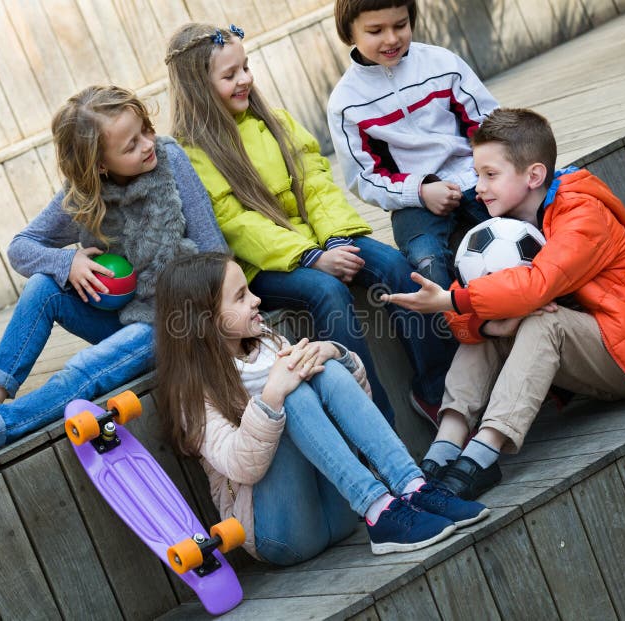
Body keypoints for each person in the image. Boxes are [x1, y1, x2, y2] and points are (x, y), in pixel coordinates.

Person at [383, 108, 625, 499]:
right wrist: (488, 324)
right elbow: (470, 311)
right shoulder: (505, 232)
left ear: (534, 176)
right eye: (476, 175)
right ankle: (444, 448)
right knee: (492, 321)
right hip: (596, 357)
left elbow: (535, 286)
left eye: (490, 175)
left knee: (543, 320)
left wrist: (450, 299)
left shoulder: (583, 214)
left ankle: (483, 454)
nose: (478, 188)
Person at [164, 22, 453, 427]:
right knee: (327, 291)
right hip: (265, 264)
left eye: (245, 67)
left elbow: (315, 182)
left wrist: (333, 240)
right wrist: (310, 257)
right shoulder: (193, 153)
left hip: (321, 239)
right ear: (198, 87)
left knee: (393, 266)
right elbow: (235, 223)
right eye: (230, 76)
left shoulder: (276, 121)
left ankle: (436, 392)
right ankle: (373, 421)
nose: (245, 79)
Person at [0, 85, 226, 466]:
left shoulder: (170, 160)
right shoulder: (84, 195)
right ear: (100, 165)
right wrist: (68, 263)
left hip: (178, 324)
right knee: (43, 286)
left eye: (145, 131)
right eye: (130, 145)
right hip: (123, 318)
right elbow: (21, 247)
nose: (147, 144)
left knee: (86, 366)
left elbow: (215, 253)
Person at [154, 252, 489, 562]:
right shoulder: (191, 391)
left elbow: (356, 411)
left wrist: (336, 354)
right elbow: (240, 468)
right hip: (280, 533)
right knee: (292, 393)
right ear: (205, 319)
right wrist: (271, 397)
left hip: (341, 511)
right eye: (240, 296)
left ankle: (411, 488)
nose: (256, 300)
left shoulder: (268, 344)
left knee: (323, 367)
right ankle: (378, 507)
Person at [328, 0, 498, 292]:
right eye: (375, 31)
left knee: (518, 224)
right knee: (426, 260)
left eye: (400, 25)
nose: (391, 39)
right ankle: (450, 319)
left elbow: (487, 123)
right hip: (412, 201)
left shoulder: (442, 63)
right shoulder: (346, 103)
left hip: (475, 177)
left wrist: (484, 170)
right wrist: (419, 191)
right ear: (349, 32)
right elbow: (364, 179)